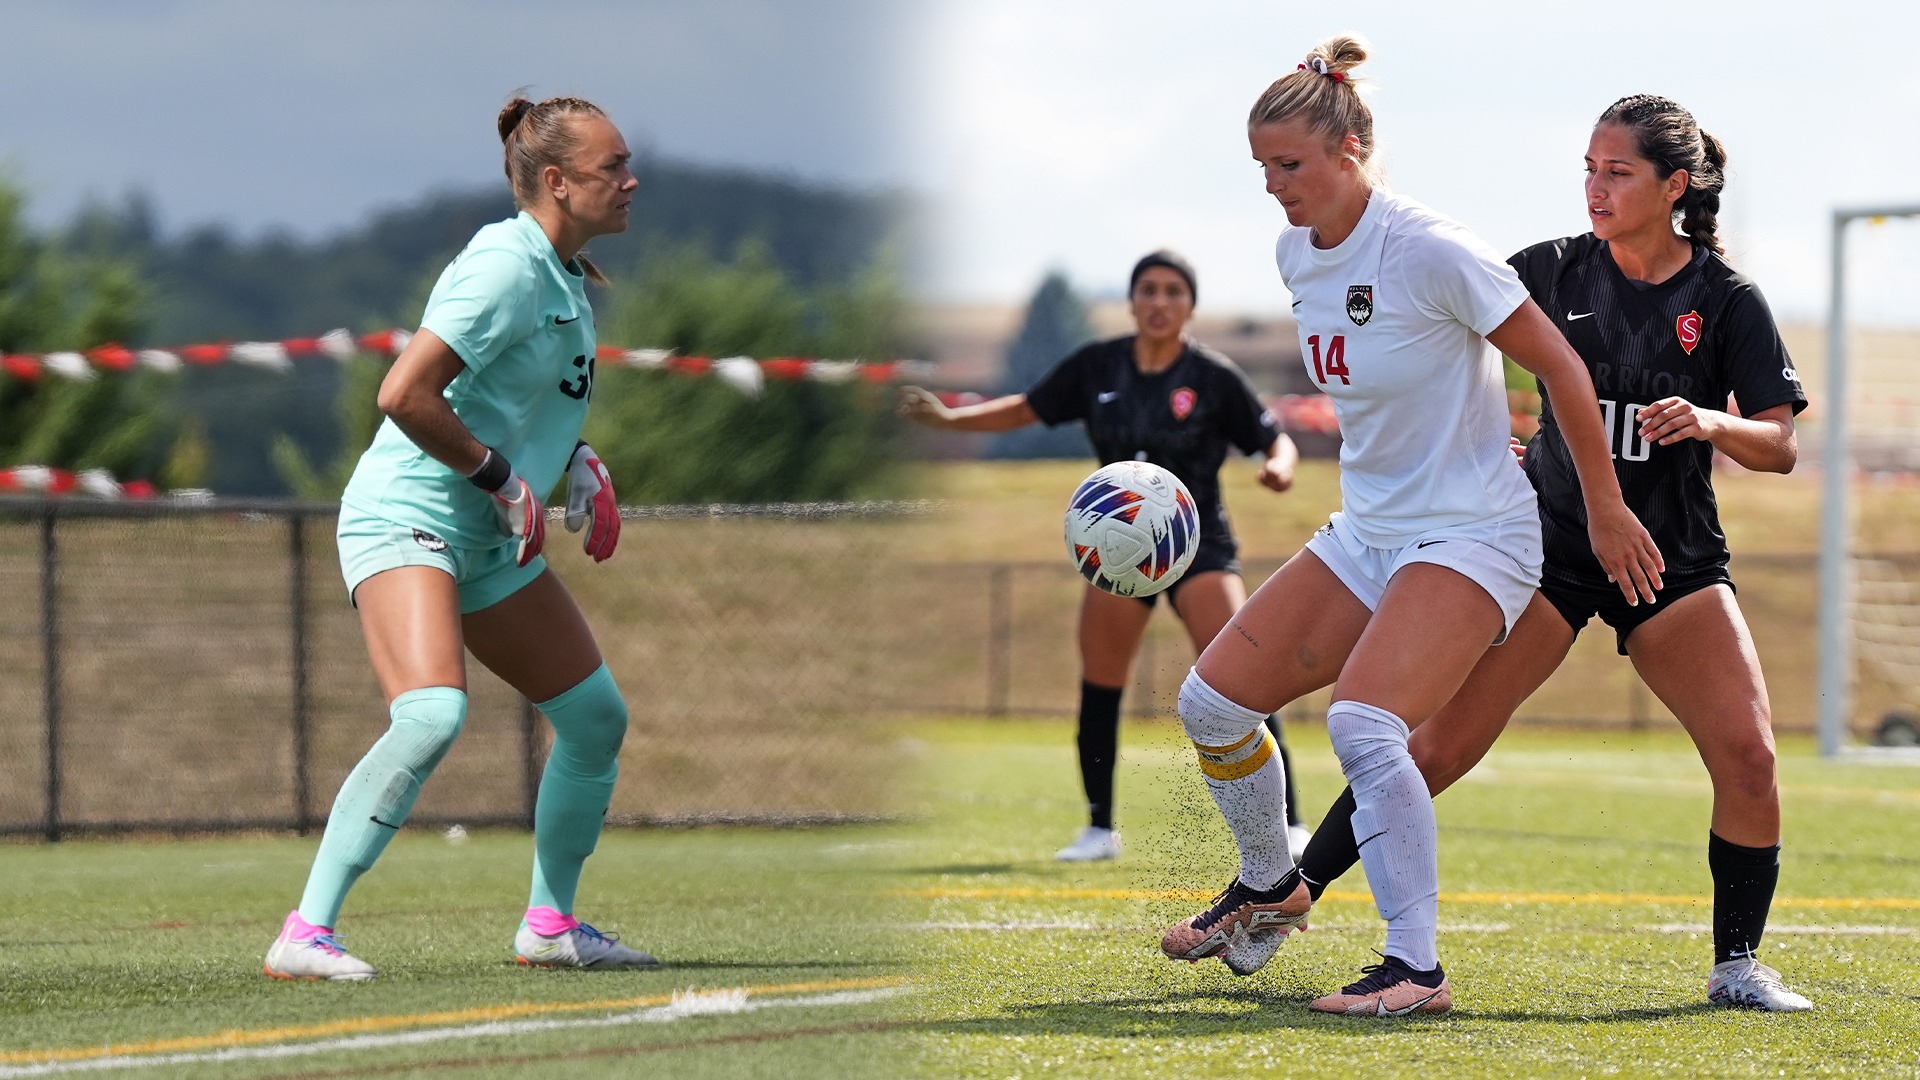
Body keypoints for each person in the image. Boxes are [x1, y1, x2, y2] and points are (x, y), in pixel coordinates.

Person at [1154, 35, 1663, 1017]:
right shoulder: (1296, 252)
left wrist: (1603, 510)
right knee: (1211, 705)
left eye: (1289, 165)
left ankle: (1414, 969)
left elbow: (1563, 368)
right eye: (1262, 167)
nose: (1273, 187)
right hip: (1370, 533)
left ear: (1349, 151)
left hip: (1475, 533)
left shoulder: (1430, 248)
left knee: (1363, 722)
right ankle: (1269, 886)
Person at [1285, 94, 1812, 1011]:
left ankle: (1737, 965)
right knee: (1435, 747)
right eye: (1590, 169)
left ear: (1674, 186)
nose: (1596, 188)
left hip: (1669, 560)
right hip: (1546, 550)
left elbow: (1781, 444)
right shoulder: (1548, 270)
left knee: (1750, 758)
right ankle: (1289, 895)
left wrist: (1712, 421)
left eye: (1619, 173)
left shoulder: (1726, 301)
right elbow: (1439, 329)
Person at [264, 95, 655, 980]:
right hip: (409, 514)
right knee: (433, 713)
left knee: (595, 719)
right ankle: (304, 933)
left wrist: (579, 461)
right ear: (557, 181)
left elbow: (516, 400)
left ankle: (550, 926)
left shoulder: (564, 274)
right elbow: (403, 394)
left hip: (484, 532)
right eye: (613, 167)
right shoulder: (504, 266)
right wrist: (500, 479)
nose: (632, 182)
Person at [899, 250, 1307, 862]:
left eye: (1173, 291)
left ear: (1190, 305)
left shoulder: (1214, 377)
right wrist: (951, 421)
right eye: (1149, 290)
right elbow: (1025, 408)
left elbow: (1275, 439)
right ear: (1132, 301)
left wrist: (1280, 468)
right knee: (1100, 682)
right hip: (1117, 557)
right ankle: (1097, 829)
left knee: (1243, 680)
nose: (1160, 301)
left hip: (1200, 549)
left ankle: (1290, 822)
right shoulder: (1097, 366)